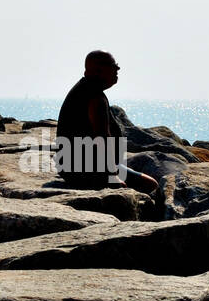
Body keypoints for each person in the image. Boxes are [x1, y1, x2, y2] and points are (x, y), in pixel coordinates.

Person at [55, 51, 159, 195]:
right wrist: (112, 175)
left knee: (150, 183)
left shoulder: (87, 88)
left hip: (80, 166)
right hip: (85, 169)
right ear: (98, 70)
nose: (118, 69)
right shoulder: (95, 97)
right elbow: (102, 136)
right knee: (149, 185)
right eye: (114, 66)